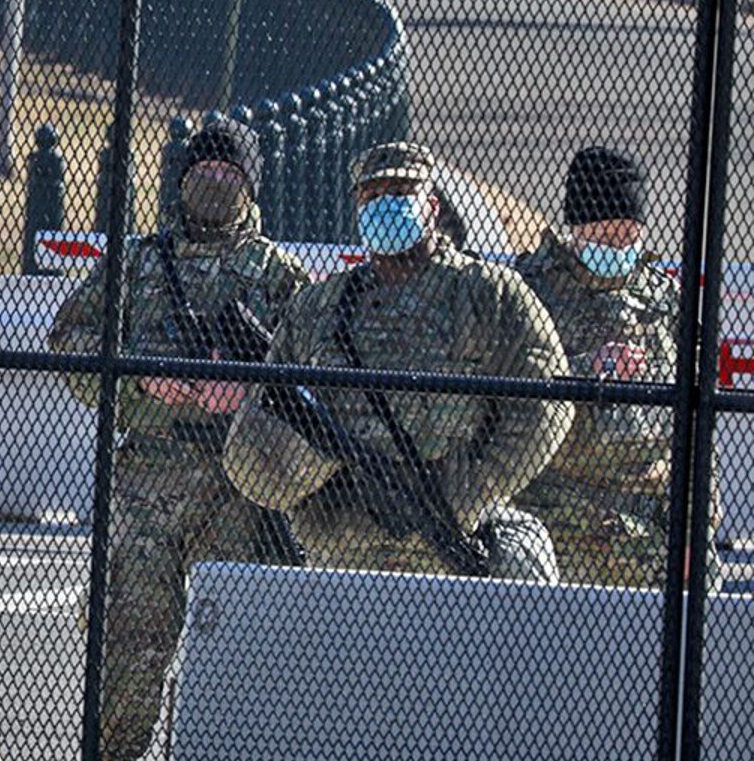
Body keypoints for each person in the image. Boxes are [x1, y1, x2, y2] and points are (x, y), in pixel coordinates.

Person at [46, 118, 310, 761]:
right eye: (206, 169)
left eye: (232, 171)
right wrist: (145, 385)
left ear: (253, 184)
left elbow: (320, 383)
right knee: (132, 640)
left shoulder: (281, 277)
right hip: (147, 487)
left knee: (236, 650)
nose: (217, 182)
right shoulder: (138, 263)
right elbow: (69, 339)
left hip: (242, 486)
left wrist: (250, 390)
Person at [223, 141, 572, 581]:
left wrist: (476, 489)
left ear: (431, 205)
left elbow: (549, 402)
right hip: (342, 548)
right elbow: (267, 409)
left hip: (447, 538)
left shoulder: (490, 294)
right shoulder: (318, 306)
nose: (385, 204)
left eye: (400, 191)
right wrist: (304, 468)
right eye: (372, 196)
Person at [514, 146, 685, 588]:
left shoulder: (664, 299)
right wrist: (590, 367)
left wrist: (697, 526)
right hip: (564, 517)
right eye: (608, 238)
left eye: (630, 238)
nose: (620, 249)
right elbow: (510, 387)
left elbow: (696, 419)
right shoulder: (531, 291)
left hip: (651, 529)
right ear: (577, 229)